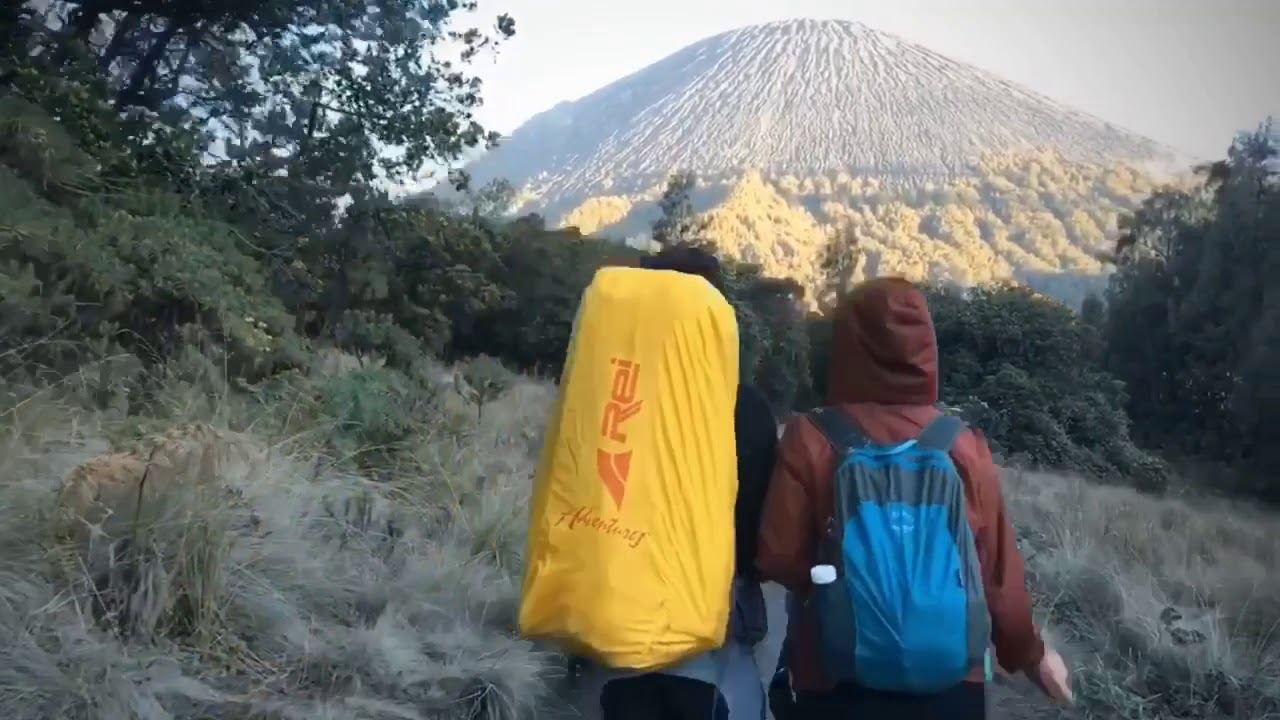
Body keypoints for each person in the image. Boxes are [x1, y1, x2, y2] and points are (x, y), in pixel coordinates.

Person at [755, 277, 1073, 719]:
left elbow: (778, 558)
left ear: (846, 345)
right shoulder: (963, 446)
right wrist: (1032, 656)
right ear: (926, 349)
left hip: (834, 678)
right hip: (950, 685)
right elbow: (997, 574)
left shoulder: (809, 437)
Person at [578, 244, 779, 720]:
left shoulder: (604, 399)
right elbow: (758, 527)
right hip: (711, 609)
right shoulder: (744, 406)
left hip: (615, 597)